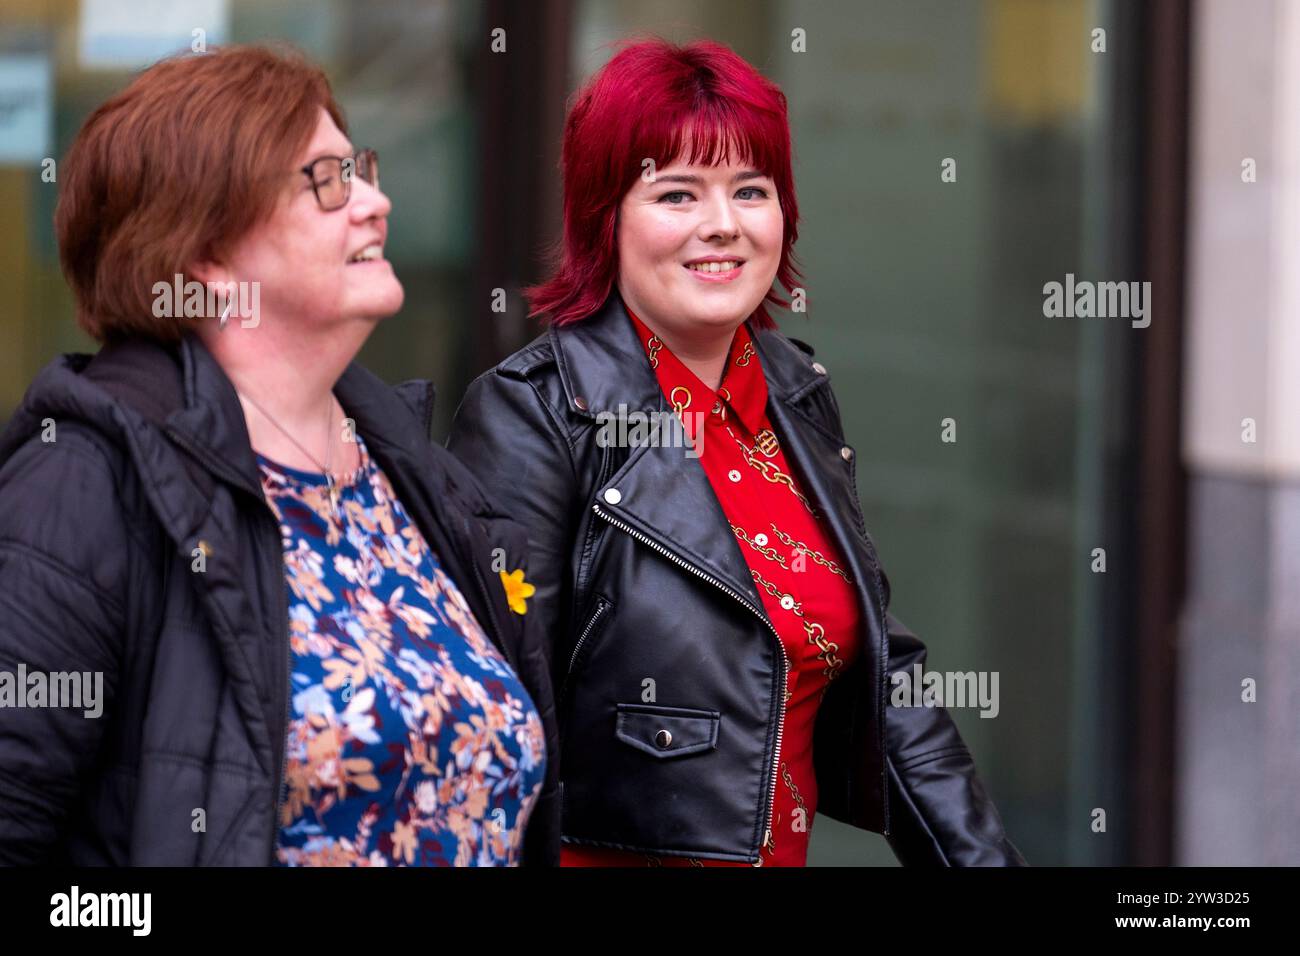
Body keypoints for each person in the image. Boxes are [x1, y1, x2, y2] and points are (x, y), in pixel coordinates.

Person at [447, 38, 1025, 866]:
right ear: (603, 218)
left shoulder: (794, 393)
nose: (723, 225)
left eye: (750, 190)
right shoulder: (532, 413)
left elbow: (884, 679)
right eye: (677, 193)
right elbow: (489, 721)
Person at [0, 44, 558, 866]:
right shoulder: (84, 483)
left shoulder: (417, 482)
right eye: (327, 180)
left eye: (359, 169)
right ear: (205, 259)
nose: (375, 202)